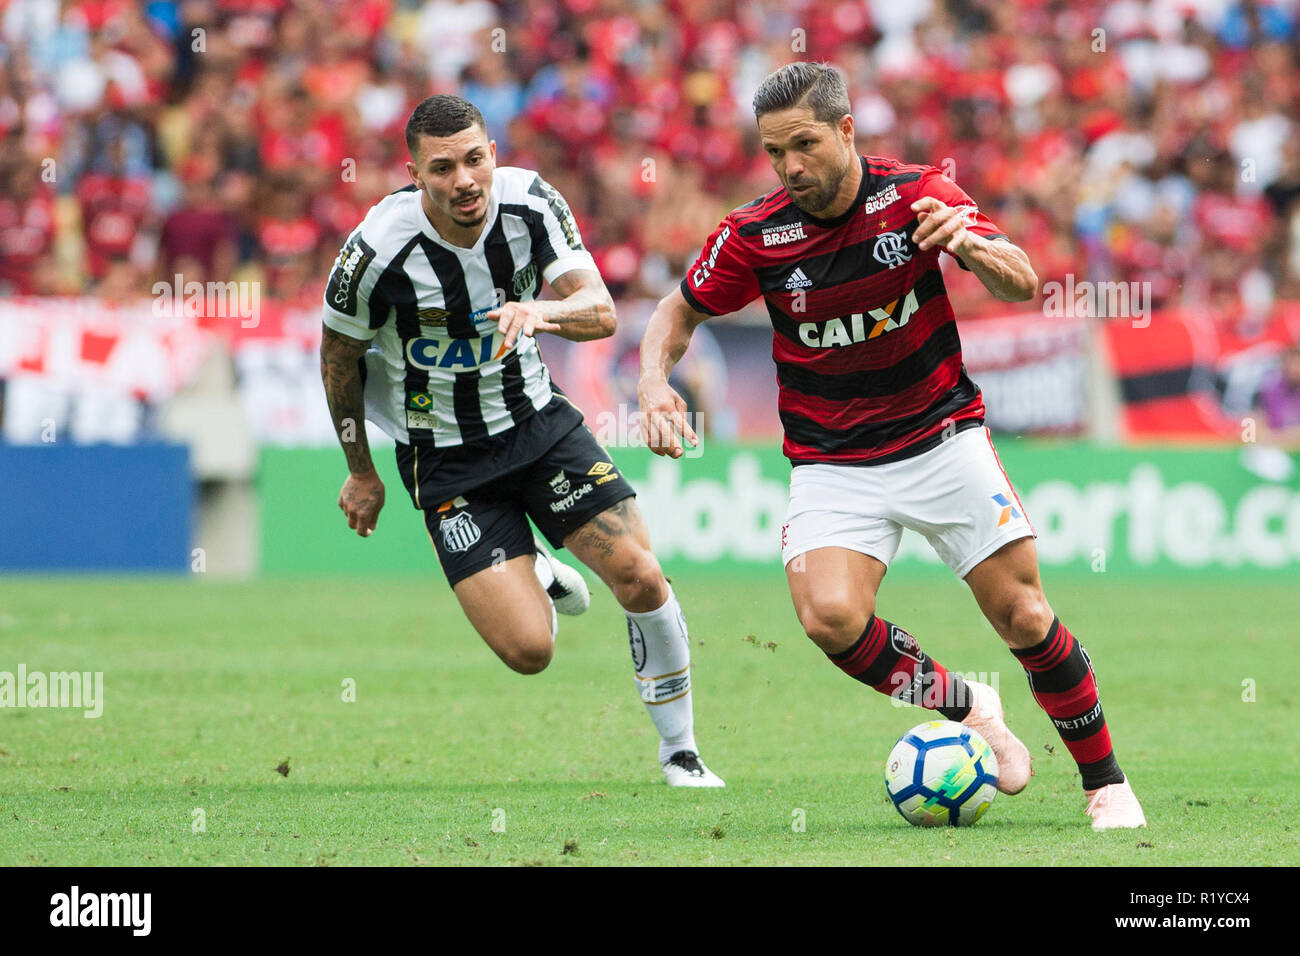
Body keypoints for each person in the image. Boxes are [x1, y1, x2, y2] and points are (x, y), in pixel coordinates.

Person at [638, 62, 1144, 826]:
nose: (790, 166)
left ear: (846, 129)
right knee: (830, 620)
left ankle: (1105, 783)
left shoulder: (917, 195)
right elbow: (676, 311)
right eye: (775, 152)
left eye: (804, 144)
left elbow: (1022, 279)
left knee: (1026, 617)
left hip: (941, 437)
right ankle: (967, 705)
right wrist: (651, 383)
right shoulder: (754, 233)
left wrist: (969, 245)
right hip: (832, 462)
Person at [320, 95, 723, 787]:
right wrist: (362, 471)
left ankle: (680, 753)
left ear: (493, 155)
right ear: (414, 173)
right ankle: (534, 567)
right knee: (529, 650)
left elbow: (598, 312)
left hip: (539, 425)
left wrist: (542, 310)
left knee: (640, 574)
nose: (464, 180)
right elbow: (337, 361)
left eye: (475, 159)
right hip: (444, 457)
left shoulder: (532, 203)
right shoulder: (375, 251)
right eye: (442, 167)